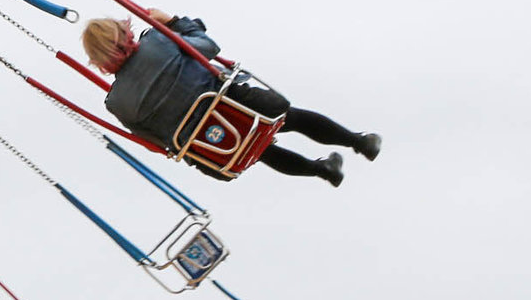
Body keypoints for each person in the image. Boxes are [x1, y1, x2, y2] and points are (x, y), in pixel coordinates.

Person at [82, 15, 380, 184]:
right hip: (238, 106)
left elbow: (155, 141)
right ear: (123, 33)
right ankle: (358, 142)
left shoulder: (116, 103)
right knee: (290, 118)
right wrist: (174, 22)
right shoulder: (157, 41)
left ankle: (322, 170)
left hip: (214, 147)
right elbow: (208, 47)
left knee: (259, 150)